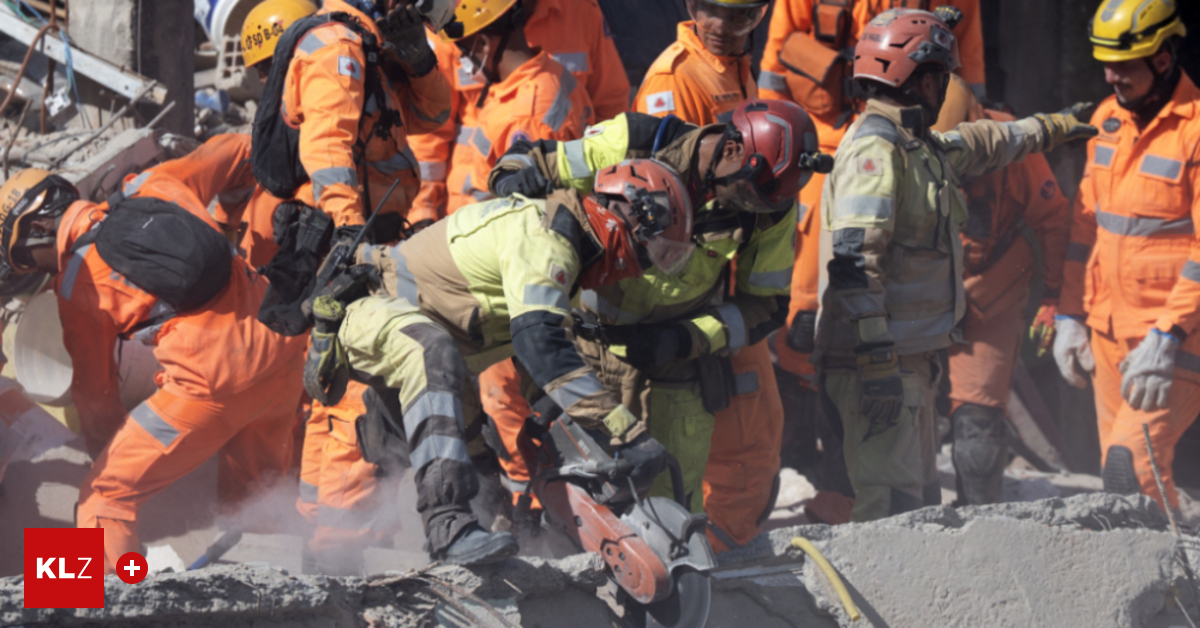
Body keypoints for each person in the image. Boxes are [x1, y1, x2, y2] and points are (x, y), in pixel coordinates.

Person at [308, 159, 694, 565]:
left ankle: (492, 546)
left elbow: (542, 371)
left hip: (433, 344)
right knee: (432, 350)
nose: (646, 264)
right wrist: (627, 435)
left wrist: (580, 440)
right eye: (654, 250)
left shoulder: (567, 254)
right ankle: (447, 527)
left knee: (481, 478)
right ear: (622, 215)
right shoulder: (546, 240)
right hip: (371, 311)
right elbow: (541, 347)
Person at [487, 98, 827, 550]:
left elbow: (763, 307)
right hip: (584, 352)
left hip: (672, 369)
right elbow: (535, 160)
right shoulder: (637, 140)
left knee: (666, 519)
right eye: (745, 194)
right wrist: (513, 176)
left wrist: (685, 338)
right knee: (573, 503)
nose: (748, 209)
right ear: (729, 151)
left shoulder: (770, 203)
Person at [816, 8, 1096, 522]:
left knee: (919, 505)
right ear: (918, 78)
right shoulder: (875, 154)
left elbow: (984, 142)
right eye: (941, 75)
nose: (946, 86)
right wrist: (876, 363)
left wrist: (1052, 128)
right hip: (879, 367)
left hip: (906, 365)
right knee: (893, 514)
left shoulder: (915, 144)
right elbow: (855, 264)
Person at [0, 165, 308, 574]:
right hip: (284, 347)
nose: (39, 270)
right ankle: (277, 593)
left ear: (36, 228)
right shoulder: (150, 183)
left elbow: (94, 395)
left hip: (211, 382)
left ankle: (89, 606)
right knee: (256, 495)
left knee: (105, 495)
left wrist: (109, 456)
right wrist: (231, 219)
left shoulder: (78, 279)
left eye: (27, 260)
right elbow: (235, 153)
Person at [241, 0, 454, 574]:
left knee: (345, 384)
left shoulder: (370, 46)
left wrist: (420, 63)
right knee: (361, 386)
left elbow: (435, 116)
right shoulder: (338, 47)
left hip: (366, 233)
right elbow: (327, 146)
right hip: (352, 236)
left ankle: (326, 529)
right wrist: (350, 229)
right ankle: (337, 539)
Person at [1055, 0, 1198, 513]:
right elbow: (1084, 230)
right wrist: (1070, 313)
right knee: (1123, 486)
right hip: (1108, 330)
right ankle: (1166, 582)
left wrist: (1168, 335)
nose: (1111, 76)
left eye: (1124, 64)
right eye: (1105, 64)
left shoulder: (1195, 130)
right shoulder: (1106, 121)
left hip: (1174, 337)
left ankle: (1172, 586)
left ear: (1162, 59)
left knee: (1129, 464)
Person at [932, 76, 1070, 505]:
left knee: (978, 426)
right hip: (917, 292)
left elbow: (1053, 220)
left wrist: (1054, 298)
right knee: (897, 419)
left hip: (987, 290)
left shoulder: (1013, 142)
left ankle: (978, 521)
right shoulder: (888, 143)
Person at [409, 0, 628, 217]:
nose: (467, 64)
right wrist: (422, 210)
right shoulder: (458, 14)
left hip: (490, 220)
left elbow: (609, 104)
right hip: (470, 210)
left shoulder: (526, 114)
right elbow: (430, 129)